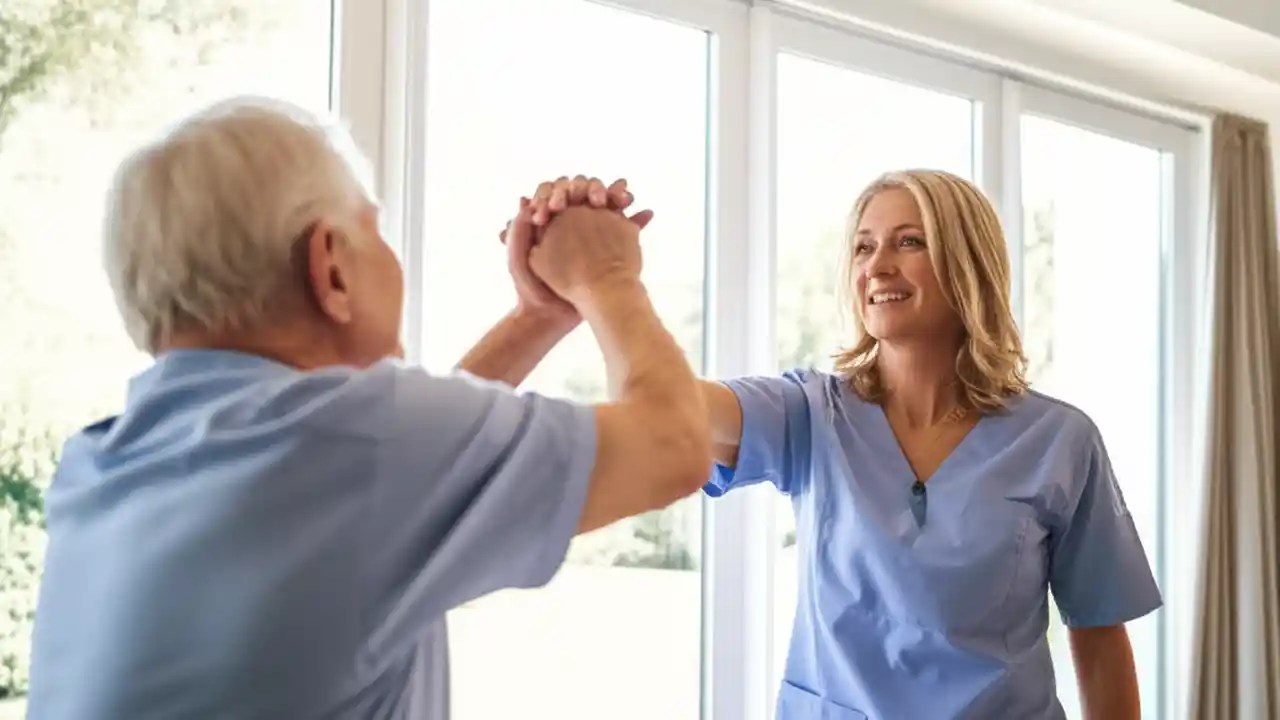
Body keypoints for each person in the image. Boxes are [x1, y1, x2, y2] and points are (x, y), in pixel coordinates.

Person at [27, 96, 710, 719]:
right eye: (374, 231)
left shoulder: (99, 467)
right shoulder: (357, 446)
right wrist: (606, 275)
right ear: (330, 267)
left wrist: (539, 318)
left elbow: (398, 487)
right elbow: (676, 446)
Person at [518, 169, 1161, 719]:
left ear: (968, 264)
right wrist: (594, 285)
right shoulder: (811, 412)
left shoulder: (1058, 440)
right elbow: (668, 408)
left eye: (909, 242)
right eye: (862, 248)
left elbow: (1100, 633)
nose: (877, 265)